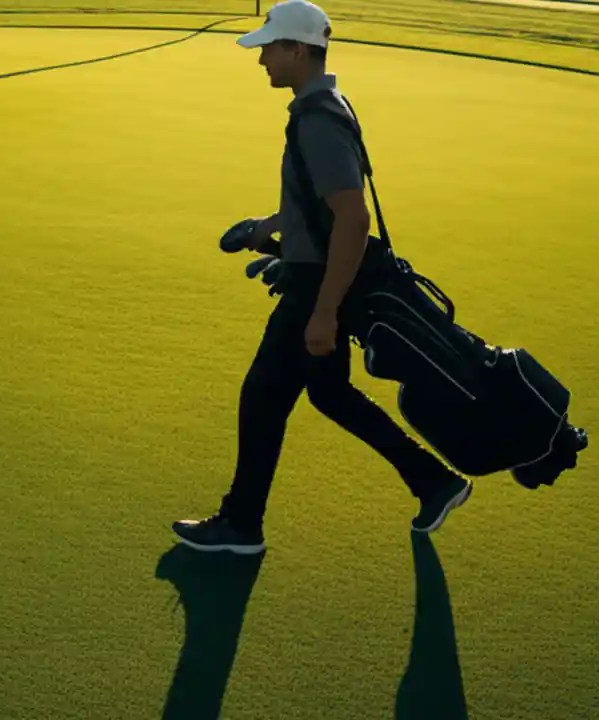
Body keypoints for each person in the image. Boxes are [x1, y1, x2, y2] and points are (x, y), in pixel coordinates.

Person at [172, 0, 472, 555]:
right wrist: (269, 226)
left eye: (269, 48)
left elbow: (352, 218)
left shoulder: (317, 120)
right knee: (330, 394)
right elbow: (320, 204)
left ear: (300, 51)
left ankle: (241, 526)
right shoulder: (321, 107)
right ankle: (434, 481)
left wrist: (325, 309)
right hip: (312, 274)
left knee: (263, 394)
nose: (261, 59)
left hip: (318, 287)